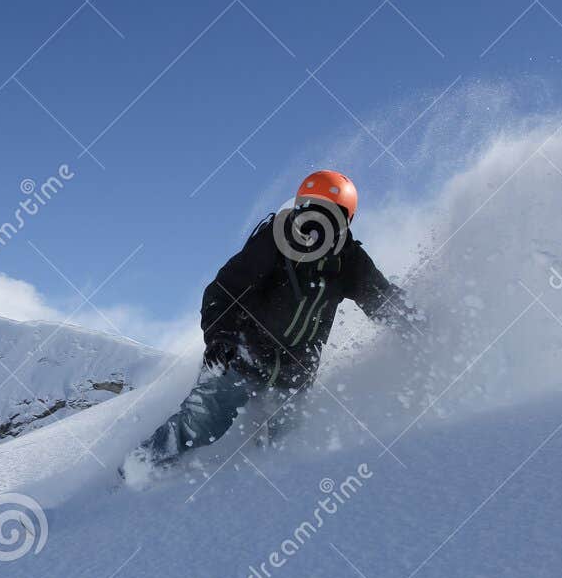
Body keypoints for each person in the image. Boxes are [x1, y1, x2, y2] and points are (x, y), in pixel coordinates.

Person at [122, 169, 419, 481]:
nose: (317, 225)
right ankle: (136, 471)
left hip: (294, 376)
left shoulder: (348, 262)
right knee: (204, 420)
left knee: (285, 450)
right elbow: (222, 292)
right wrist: (219, 337)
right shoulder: (273, 240)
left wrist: (420, 327)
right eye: (311, 210)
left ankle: (261, 506)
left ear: (346, 220)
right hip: (238, 356)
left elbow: (384, 301)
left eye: (331, 214)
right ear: (300, 206)